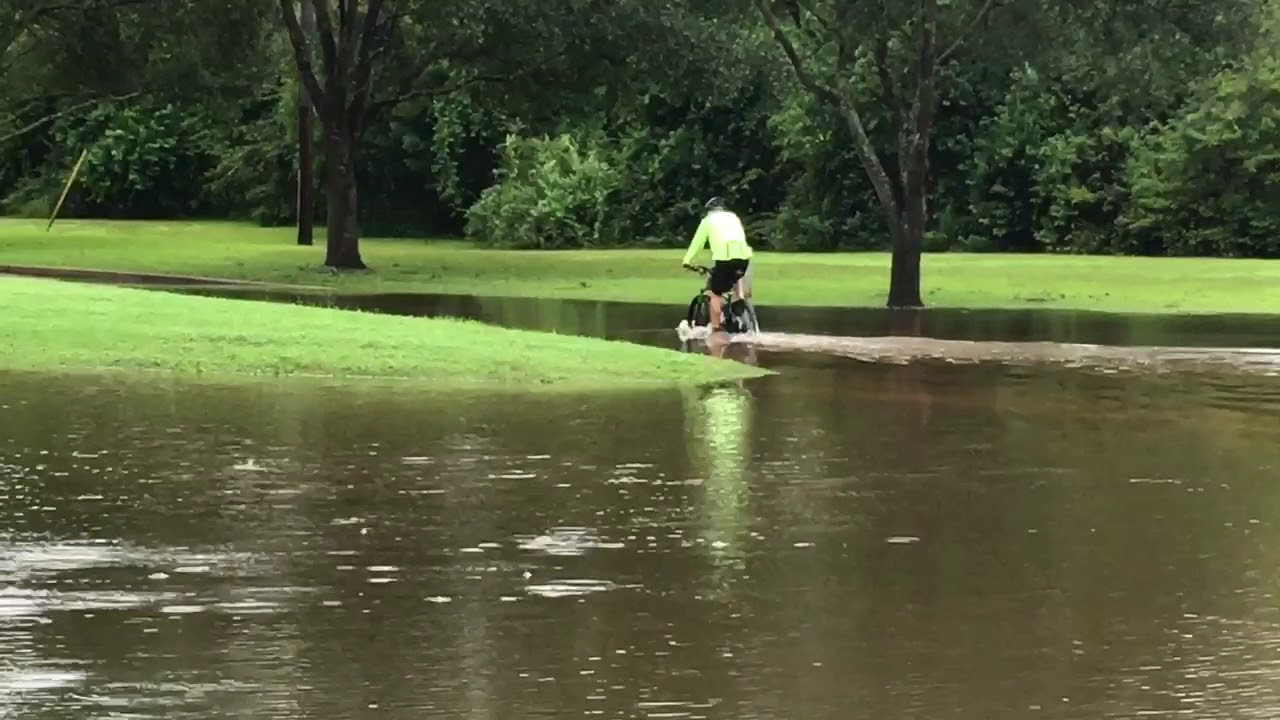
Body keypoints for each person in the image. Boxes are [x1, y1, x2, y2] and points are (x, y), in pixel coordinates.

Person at [681, 196, 753, 334]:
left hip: (724, 259)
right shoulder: (733, 217)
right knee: (735, 277)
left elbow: (697, 243)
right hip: (744, 258)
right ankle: (739, 301)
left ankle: (715, 329)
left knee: (716, 294)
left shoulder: (707, 221)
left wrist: (687, 261)